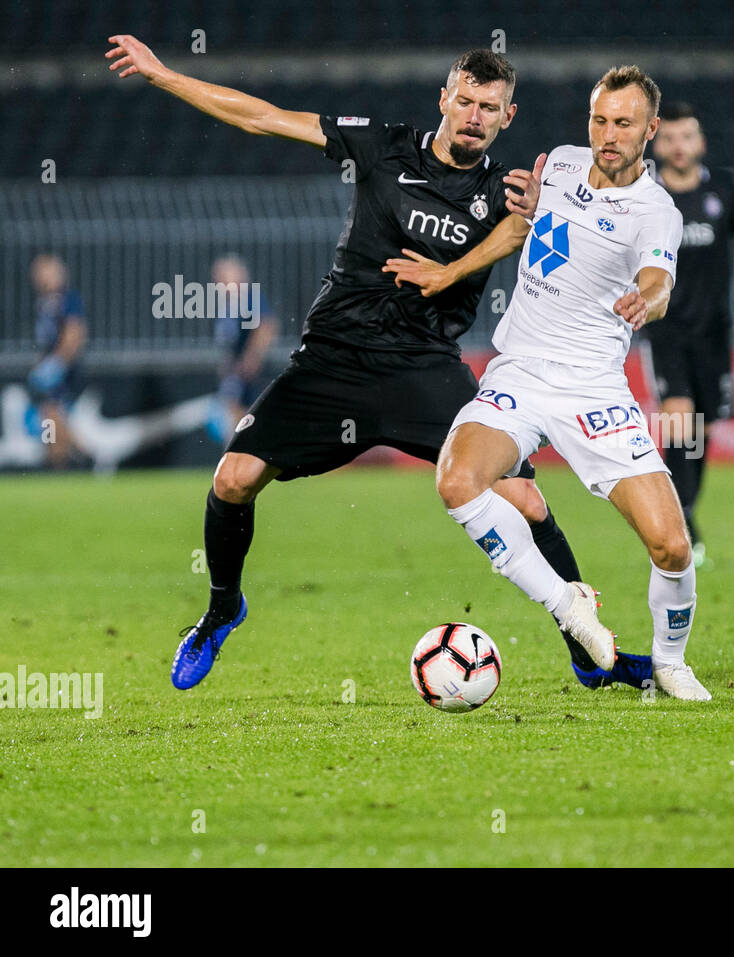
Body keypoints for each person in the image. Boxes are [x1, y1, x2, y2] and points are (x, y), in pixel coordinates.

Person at [106, 35, 625, 691]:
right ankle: (219, 610)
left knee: (523, 496)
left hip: (424, 369)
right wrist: (164, 76)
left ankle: (584, 645)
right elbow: (263, 116)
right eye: (464, 100)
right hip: (335, 360)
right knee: (234, 478)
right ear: (445, 99)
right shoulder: (381, 146)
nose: (473, 115)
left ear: (507, 118)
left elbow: (550, 230)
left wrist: (523, 228)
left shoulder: (510, 192)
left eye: (489, 107)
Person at [385, 66, 711, 700]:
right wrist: (503, 234)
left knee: (672, 547)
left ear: (650, 130)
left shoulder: (656, 213)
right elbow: (528, 231)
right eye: (599, 120)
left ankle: (670, 663)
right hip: (523, 372)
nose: (607, 135)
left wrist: (646, 300)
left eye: (623, 123)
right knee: (457, 480)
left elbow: (659, 281)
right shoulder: (559, 164)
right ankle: (568, 605)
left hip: (594, 387)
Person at [645, 102, 734, 569]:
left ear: (700, 142)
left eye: (687, 137)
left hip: (714, 333)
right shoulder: (645, 192)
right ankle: (680, 528)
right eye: (669, 138)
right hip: (665, 328)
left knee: (701, 429)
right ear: (656, 143)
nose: (678, 147)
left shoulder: (725, 189)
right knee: (678, 420)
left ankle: (685, 510)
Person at [209, 254, 279, 442]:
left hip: (249, 370)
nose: (219, 282)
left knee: (246, 413)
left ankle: (243, 452)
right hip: (237, 370)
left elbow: (266, 325)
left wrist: (252, 357)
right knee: (235, 410)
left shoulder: (249, 297)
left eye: (224, 276)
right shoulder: (230, 303)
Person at [28, 254, 88, 468]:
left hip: (64, 368)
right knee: (50, 415)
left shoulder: (68, 299)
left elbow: (75, 333)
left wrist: (58, 363)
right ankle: (58, 462)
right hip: (51, 365)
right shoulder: (44, 302)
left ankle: (86, 453)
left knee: (52, 414)